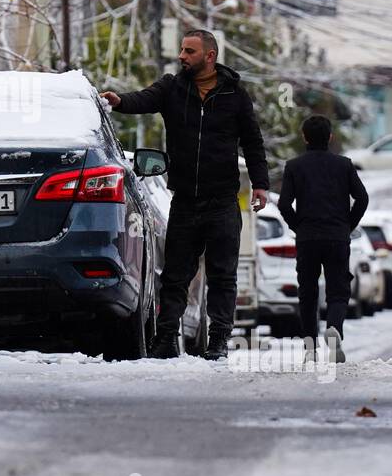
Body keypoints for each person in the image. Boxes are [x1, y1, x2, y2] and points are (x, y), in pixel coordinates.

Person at [100, 30, 270, 360]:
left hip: (222, 201)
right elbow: (143, 99)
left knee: (223, 275)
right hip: (185, 202)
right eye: (181, 49)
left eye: (189, 51)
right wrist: (120, 101)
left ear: (210, 56)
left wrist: (260, 184)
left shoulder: (235, 94)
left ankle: (219, 340)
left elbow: (253, 142)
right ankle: (166, 339)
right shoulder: (172, 88)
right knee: (176, 275)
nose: (182, 56)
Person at [277, 114, 369, 364]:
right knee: (338, 290)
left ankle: (310, 348)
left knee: (307, 292)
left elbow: (284, 204)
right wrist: (347, 225)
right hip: (337, 237)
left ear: (304, 137)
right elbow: (362, 199)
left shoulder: (294, 166)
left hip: (307, 239)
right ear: (330, 137)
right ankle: (335, 329)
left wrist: (298, 227)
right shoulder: (344, 165)